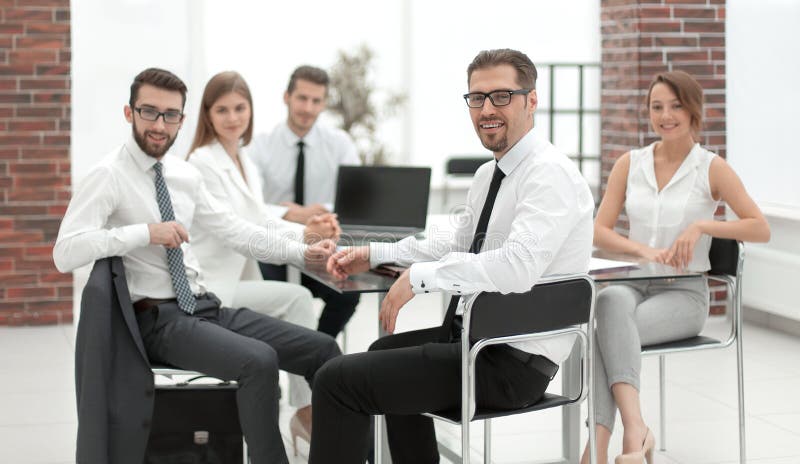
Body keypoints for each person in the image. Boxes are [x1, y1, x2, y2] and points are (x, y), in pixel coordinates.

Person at [308, 48, 596, 464]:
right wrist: (373, 254)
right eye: (476, 98)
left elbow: (516, 267)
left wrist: (421, 278)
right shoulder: (488, 175)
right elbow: (454, 243)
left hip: (509, 363)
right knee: (379, 354)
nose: (486, 109)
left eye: (501, 96)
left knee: (335, 379)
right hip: (474, 341)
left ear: (532, 100)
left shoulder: (549, 174)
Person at [53, 67, 342, 464]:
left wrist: (303, 251)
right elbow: (65, 251)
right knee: (259, 362)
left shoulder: (184, 175)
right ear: (128, 113)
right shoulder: (108, 176)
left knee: (324, 349)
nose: (159, 124)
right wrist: (144, 233)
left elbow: (237, 230)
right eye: (149, 112)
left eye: (170, 115)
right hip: (158, 319)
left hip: (206, 306)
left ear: (183, 120)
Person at [581, 71, 770, 464]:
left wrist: (701, 225)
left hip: (684, 295)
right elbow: (598, 231)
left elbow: (760, 227)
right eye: (657, 107)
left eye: (676, 106)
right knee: (610, 302)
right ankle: (636, 432)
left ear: (693, 109)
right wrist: (643, 250)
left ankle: (598, 450)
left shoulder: (710, 168)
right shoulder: (630, 164)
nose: (666, 115)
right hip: (632, 284)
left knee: (605, 337)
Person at [185, 70, 341, 451]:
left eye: (240, 108)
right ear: (208, 114)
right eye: (222, 109)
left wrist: (308, 233)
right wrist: (303, 247)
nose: (233, 117)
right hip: (210, 288)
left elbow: (262, 219)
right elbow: (237, 231)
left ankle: (306, 409)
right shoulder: (202, 162)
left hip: (233, 280)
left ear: (251, 111)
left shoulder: (242, 160)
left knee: (299, 299)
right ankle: (306, 411)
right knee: (298, 299)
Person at [251, 65, 362, 338]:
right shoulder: (260, 145)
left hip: (321, 249)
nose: (308, 108)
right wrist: (291, 215)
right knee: (269, 299)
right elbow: (247, 204)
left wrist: (320, 215)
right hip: (273, 250)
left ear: (324, 104)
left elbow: (355, 200)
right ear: (286, 97)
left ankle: (315, 355)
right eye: (302, 98)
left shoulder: (339, 143)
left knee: (349, 293)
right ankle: (286, 357)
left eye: (316, 101)